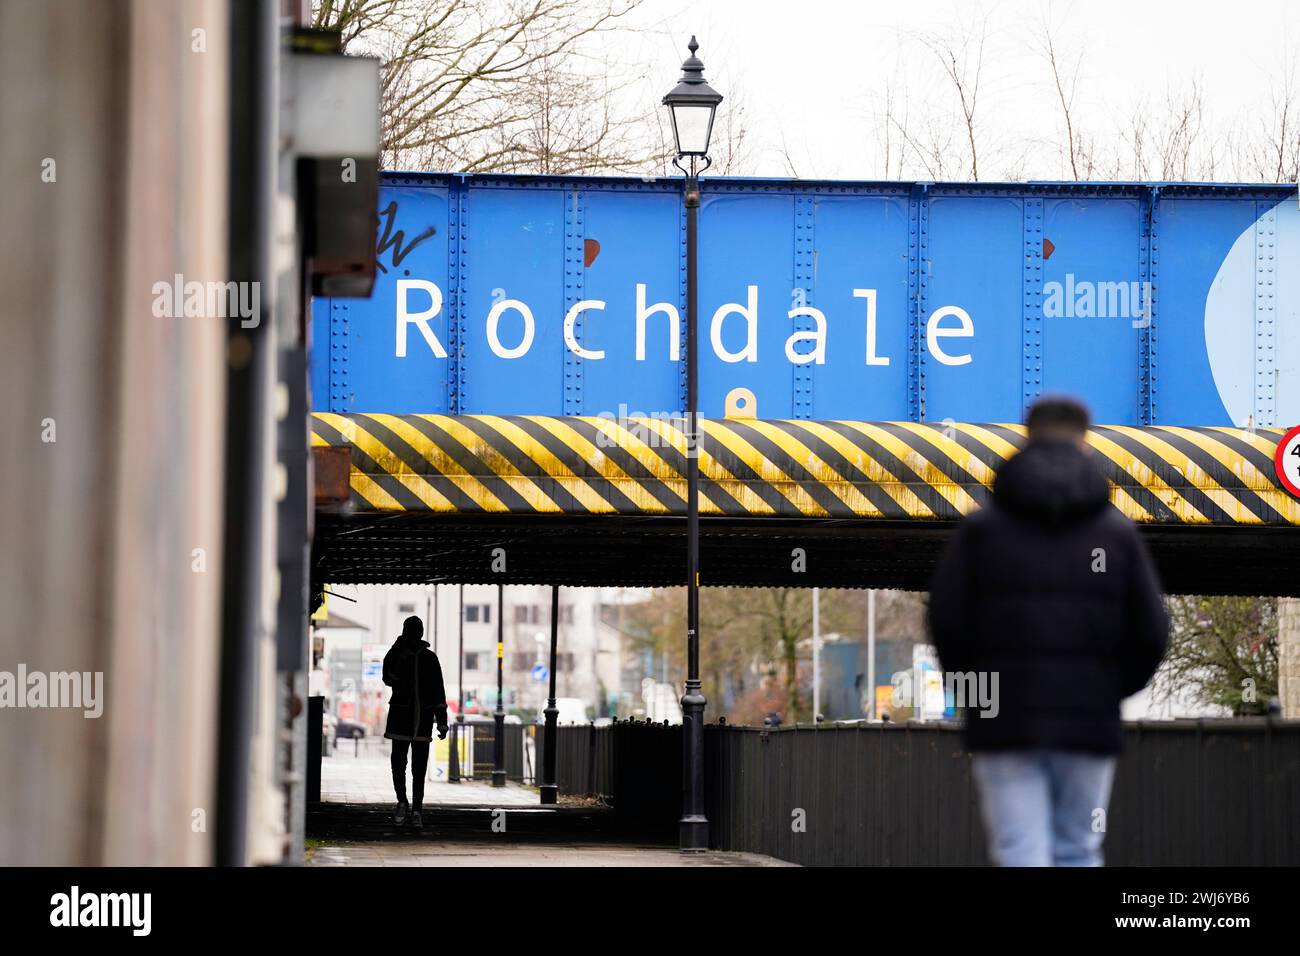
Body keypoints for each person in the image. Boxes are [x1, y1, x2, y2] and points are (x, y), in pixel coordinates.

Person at [928, 396, 1168, 866]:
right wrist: (1107, 691)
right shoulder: (1116, 534)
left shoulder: (980, 533)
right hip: (1088, 718)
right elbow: (1151, 631)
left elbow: (947, 623)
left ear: (1027, 436)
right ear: (1084, 442)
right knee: (1078, 848)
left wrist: (980, 695)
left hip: (1005, 722)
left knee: (1021, 850)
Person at [382, 616, 448, 829]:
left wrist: (442, 721)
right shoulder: (396, 654)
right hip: (401, 718)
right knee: (398, 763)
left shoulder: (429, 658)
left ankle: (417, 809)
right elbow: (387, 677)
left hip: (422, 720)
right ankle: (402, 801)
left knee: (419, 768)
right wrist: (399, 655)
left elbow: (438, 689)